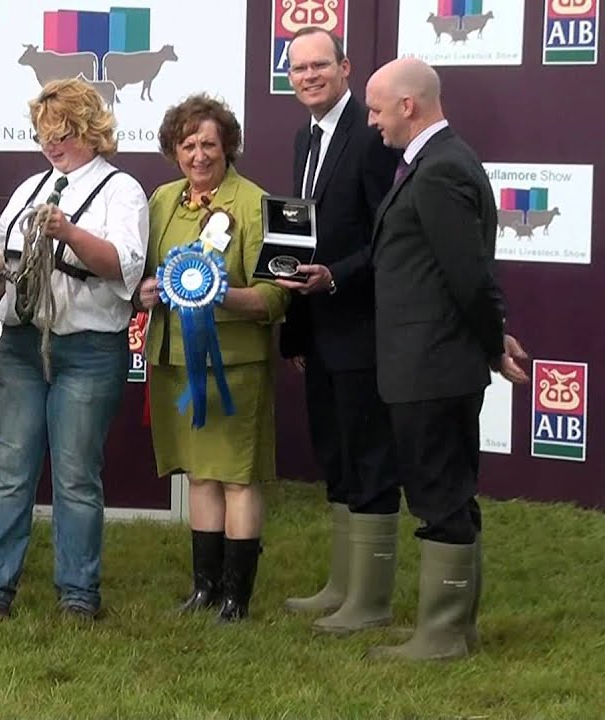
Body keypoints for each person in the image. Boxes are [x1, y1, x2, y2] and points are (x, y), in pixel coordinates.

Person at [356, 57, 527, 661]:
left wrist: (490, 339)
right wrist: (493, 335)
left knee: (439, 493)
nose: (371, 121)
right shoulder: (438, 162)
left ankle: (444, 634)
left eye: (376, 109)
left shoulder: (439, 170)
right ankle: (450, 628)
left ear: (409, 105)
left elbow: (468, 275)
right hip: (428, 361)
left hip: (432, 364)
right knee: (444, 488)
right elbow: (472, 269)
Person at [0, 77, 148, 621]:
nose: (53, 143)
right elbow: (8, 268)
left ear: (92, 131)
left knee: (75, 476)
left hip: (89, 349)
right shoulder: (29, 190)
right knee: (10, 471)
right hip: (23, 344)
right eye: (46, 133)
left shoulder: (123, 190)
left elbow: (123, 267)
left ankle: (78, 593)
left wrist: (69, 234)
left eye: (64, 132)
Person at [135, 93, 290, 623]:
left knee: (235, 478)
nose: (198, 155)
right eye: (188, 145)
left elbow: (276, 295)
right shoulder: (162, 201)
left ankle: (237, 598)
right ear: (173, 151)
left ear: (229, 147)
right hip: (174, 358)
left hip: (233, 365)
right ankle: (204, 589)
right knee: (199, 475)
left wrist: (220, 293)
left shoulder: (254, 202)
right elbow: (141, 276)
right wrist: (146, 292)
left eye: (209, 144)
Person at [273, 26, 403, 632]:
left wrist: (337, 277)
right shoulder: (305, 136)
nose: (307, 77)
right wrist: (297, 312)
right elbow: (304, 231)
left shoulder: (373, 134)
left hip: (362, 322)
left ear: (346, 68)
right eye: (297, 69)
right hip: (319, 328)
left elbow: (390, 236)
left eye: (318, 65)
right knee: (336, 452)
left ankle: (370, 601)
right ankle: (342, 585)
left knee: (368, 454)